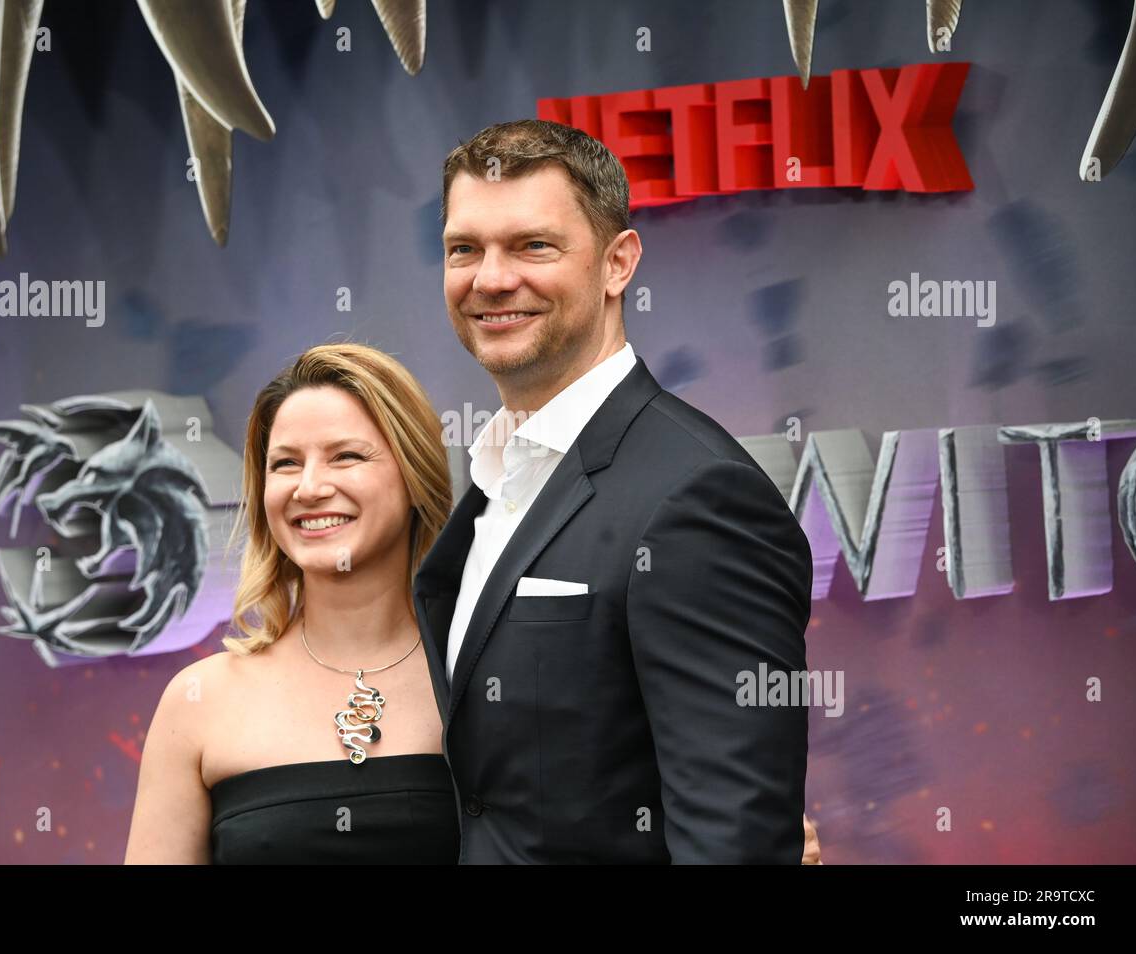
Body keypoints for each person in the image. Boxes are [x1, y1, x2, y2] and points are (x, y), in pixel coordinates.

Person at [413, 119, 817, 863]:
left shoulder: (698, 496)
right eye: (464, 249)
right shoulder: (484, 484)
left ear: (617, 262)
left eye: (533, 245)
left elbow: (737, 841)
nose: (491, 279)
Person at [125, 344, 459, 864]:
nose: (309, 488)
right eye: (285, 464)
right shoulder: (199, 701)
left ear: (416, 476)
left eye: (346, 455)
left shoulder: (478, 679)